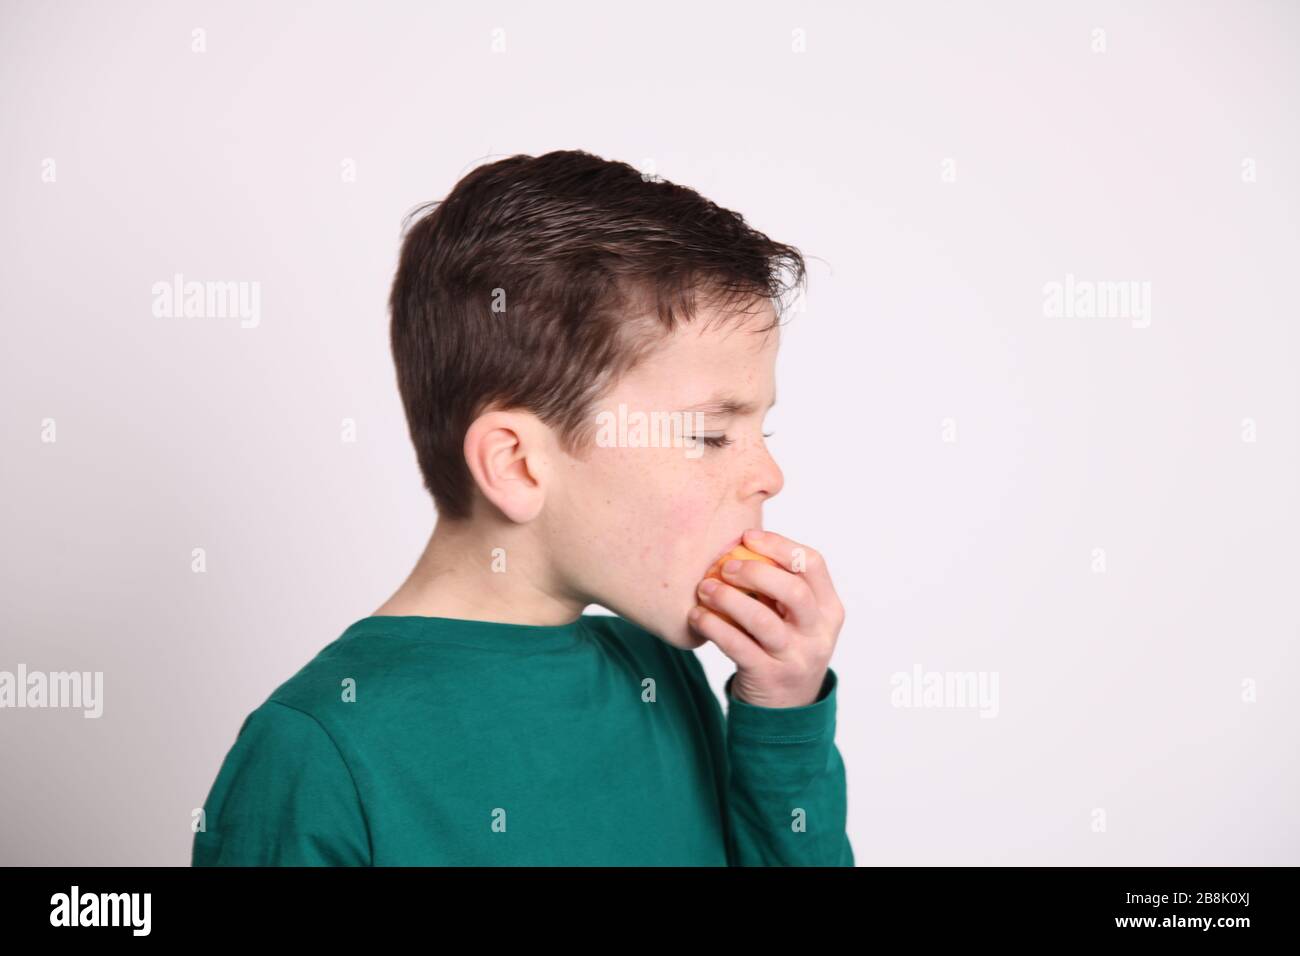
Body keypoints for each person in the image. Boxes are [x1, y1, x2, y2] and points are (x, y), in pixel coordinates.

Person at [192, 150, 853, 866]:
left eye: (763, 432)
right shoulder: (315, 751)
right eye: (710, 435)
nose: (770, 476)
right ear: (516, 465)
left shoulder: (659, 675)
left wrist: (784, 716)